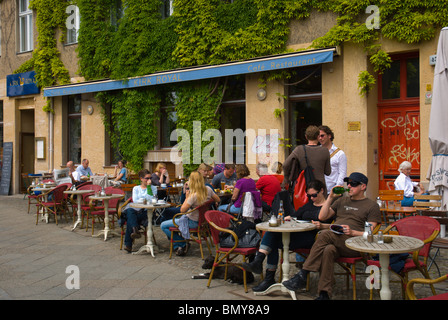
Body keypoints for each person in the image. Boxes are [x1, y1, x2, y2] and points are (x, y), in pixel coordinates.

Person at [282, 172, 381, 300]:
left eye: (353, 184)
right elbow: (322, 217)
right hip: (336, 238)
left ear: (363, 187)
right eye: (348, 183)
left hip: (354, 243)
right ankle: (324, 294)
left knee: (324, 234)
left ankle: (303, 274)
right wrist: (330, 198)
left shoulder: (371, 206)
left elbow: (371, 232)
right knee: (328, 250)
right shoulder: (341, 200)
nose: (349, 186)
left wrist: (353, 232)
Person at [242, 180, 333, 292]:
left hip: (313, 238)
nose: (312, 198)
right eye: (309, 196)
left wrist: (322, 225)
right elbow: (295, 215)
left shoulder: (330, 206)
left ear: (322, 191)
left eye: (314, 195)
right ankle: (267, 275)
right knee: (272, 235)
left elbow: (335, 225)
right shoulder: (309, 204)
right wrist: (288, 217)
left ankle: (261, 265)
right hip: (298, 234)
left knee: (273, 239)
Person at [160, 171, 220, 256]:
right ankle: (180, 245)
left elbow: (182, 210)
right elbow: (218, 199)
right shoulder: (208, 189)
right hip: (203, 221)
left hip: (192, 221)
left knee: (163, 225)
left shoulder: (194, 195)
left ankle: (181, 243)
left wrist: (187, 197)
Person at [282, 125, 331, 192]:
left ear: (306, 136)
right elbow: (328, 172)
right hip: (320, 188)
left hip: (303, 188)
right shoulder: (325, 151)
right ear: (318, 136)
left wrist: (286, 178)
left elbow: (285, 165)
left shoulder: (299, 149)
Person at [122, 169, 158, 253]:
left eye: (150, 178)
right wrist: (144, 200)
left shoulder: (153, 188)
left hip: (147, 212)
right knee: (130, 211)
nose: (149, 180)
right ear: (141, 179)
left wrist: (148, 187)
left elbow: (152, 199)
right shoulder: (136, 188)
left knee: (130, 218)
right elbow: (135, 200)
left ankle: (129, 244)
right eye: (147, 178)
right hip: (136, 211)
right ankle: (135, 229)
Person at [318, 125, 347, 194]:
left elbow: (342, 174)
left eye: (322, 136)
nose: (320, 138)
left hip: (333, 191)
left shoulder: (340, 154)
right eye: (318, 136)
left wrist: (336, 189)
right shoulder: (317, 151)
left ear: (329, 136)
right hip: (319, 192)